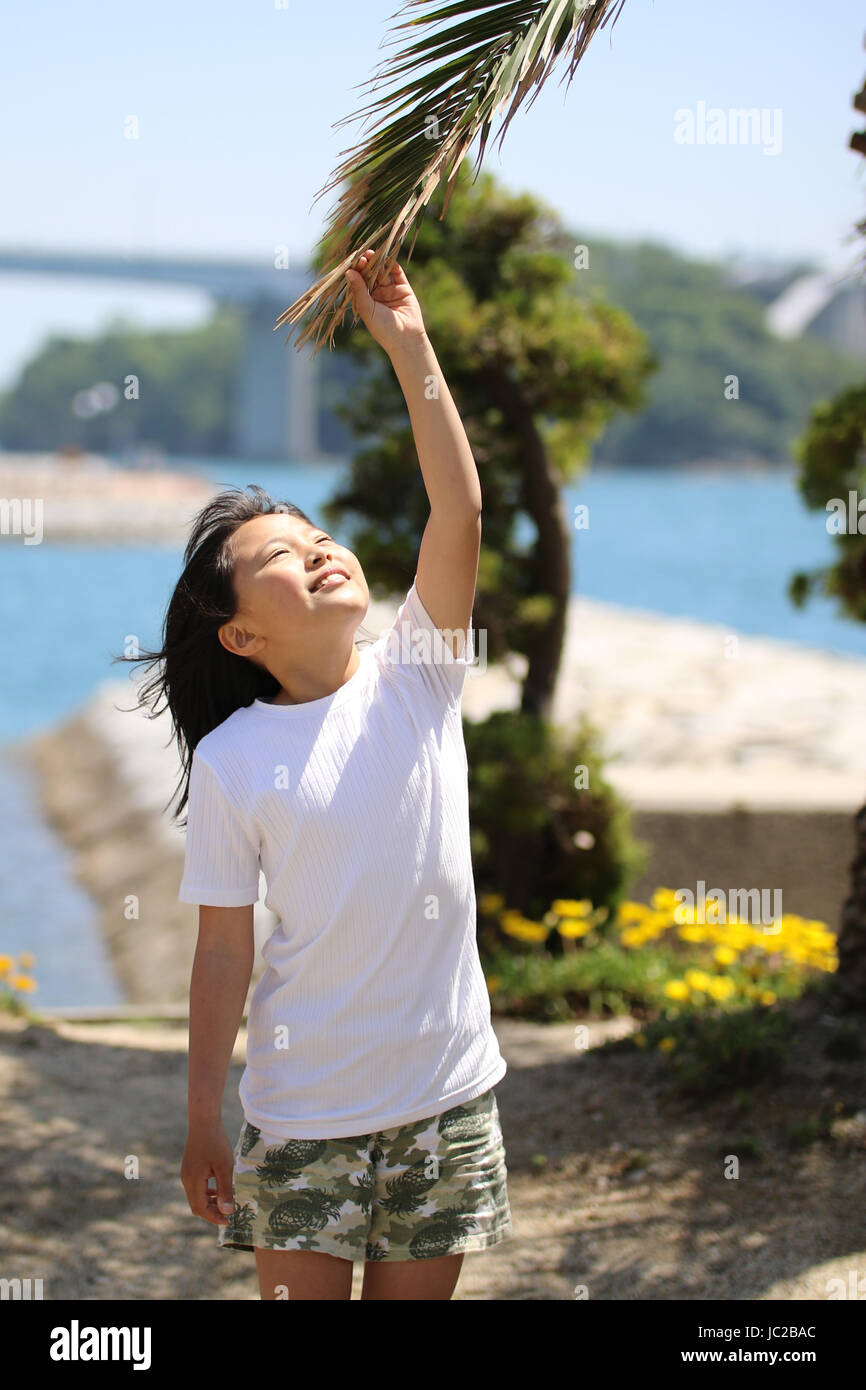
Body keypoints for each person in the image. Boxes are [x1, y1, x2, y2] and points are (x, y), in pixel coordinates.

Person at [126, 249, 512, 1300]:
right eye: (282, 556)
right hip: (301, 1120)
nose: (320, 549)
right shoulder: (234, 759)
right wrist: (204, 1117)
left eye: (320, 533)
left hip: (444, 1101)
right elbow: (220, 950)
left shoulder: (418, 676)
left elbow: (459, 513)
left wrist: (409, 346)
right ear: (242, 633)